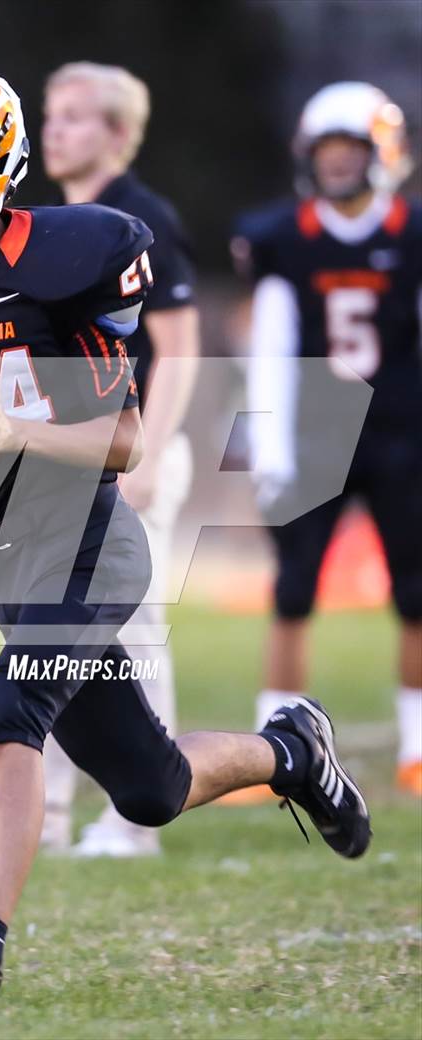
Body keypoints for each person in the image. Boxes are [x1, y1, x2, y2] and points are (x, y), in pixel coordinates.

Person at [0, 61, 371, 1006]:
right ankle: (293, 751)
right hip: (2, 555)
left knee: (4, 712)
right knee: (149, 786)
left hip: (89, 545)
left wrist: (14, 425)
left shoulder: (77, 256)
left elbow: (125, 441)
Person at [228, 82, 421, 802]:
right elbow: (271, 349)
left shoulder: (411, 230)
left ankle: (418, 748)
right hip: (315, 434)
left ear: (384, 153)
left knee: (416, 595)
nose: (338, 166)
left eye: (351, 151)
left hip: (403, 430)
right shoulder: (283, 238)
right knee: (292, 592)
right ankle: (269, 752)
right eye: (327, 153)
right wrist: (268, 444)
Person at [40, 62, 199, 855]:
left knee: (132, 635)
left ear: (115, 131)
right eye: (52, 114)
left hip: (127, 455)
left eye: (73, 116)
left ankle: (137, 821)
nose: (53, 129)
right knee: (44, 636)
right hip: (67, 456)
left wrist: (149, 454)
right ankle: (44, 817)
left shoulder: (141, 217)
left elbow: (181, 346)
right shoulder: (45, 225)